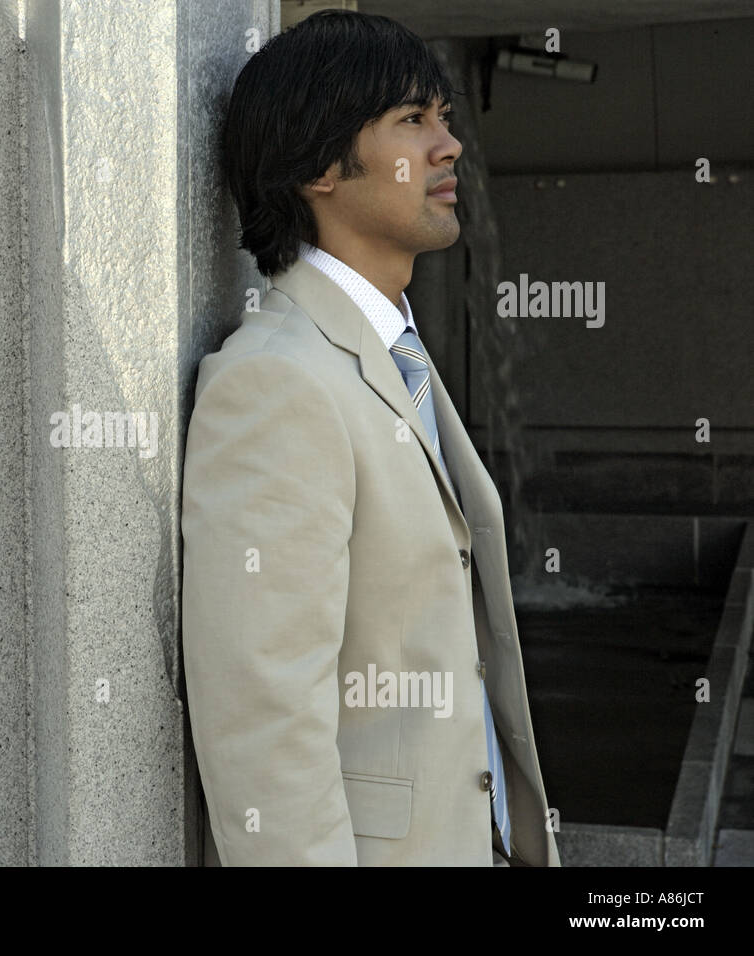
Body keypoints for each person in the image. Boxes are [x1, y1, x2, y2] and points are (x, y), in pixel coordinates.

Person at [180, 9, 560, 866]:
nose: (449, 146)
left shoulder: (396, 354)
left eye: (445, 119)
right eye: (413, 122)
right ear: (321, 164)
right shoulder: (276, 381)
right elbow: (265, 723)